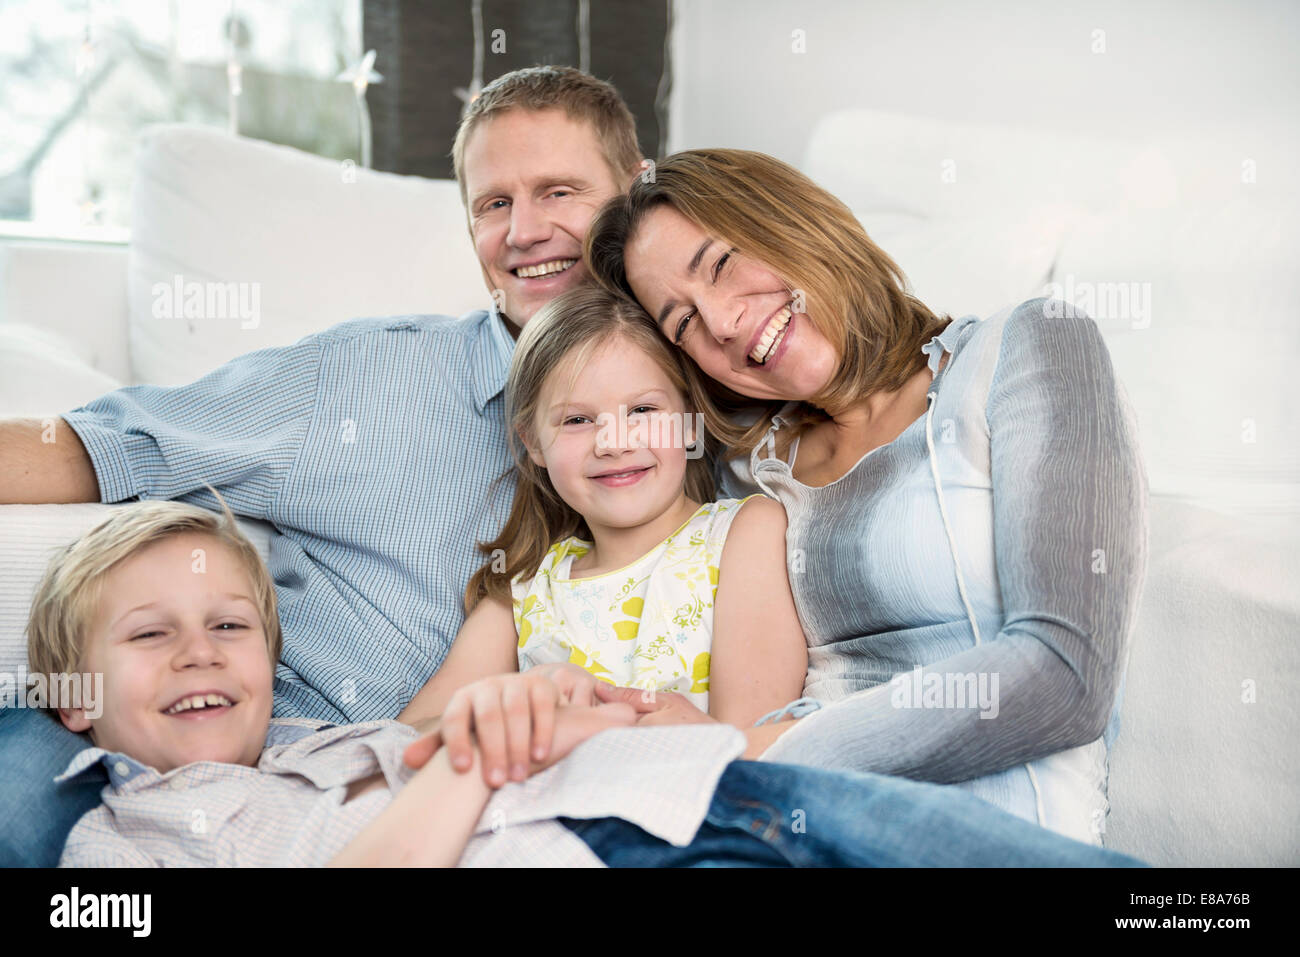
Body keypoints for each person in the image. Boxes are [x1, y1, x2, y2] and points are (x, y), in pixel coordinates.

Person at [0, 65, 647, 866]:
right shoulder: (360, 378)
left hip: (511, 800)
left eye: (559, 192)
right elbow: (108, 443)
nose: (523, 231)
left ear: (635, 188)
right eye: (494, 204)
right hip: (258, 773)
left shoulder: (712, 393)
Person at [36, 498, 1146, 867]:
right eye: (151, 635)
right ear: (73, 695)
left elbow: (474, 729)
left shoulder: (318, 739)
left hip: (664, 790)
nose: (199, 652)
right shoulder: (115, 846)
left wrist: (571, 704)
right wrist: (479, 748)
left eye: (230, 624)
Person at [582, 148, 1149, 846]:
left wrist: (746, 752)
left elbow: (1065, 677)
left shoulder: (1028, 347)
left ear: (794, 219)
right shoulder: (752, 476)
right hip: (788, 833)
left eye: (721, 265)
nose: (722, 322)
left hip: (988, 841)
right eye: (684, 323)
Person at [397, 285, 807, 786]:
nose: (614, 443)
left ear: (690, 425)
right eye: (577, 419)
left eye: (642, 411)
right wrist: (515, 707)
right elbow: (406, 738)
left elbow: (755, 738)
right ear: (534, 445)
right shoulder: (526, 590)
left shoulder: (744, 531)